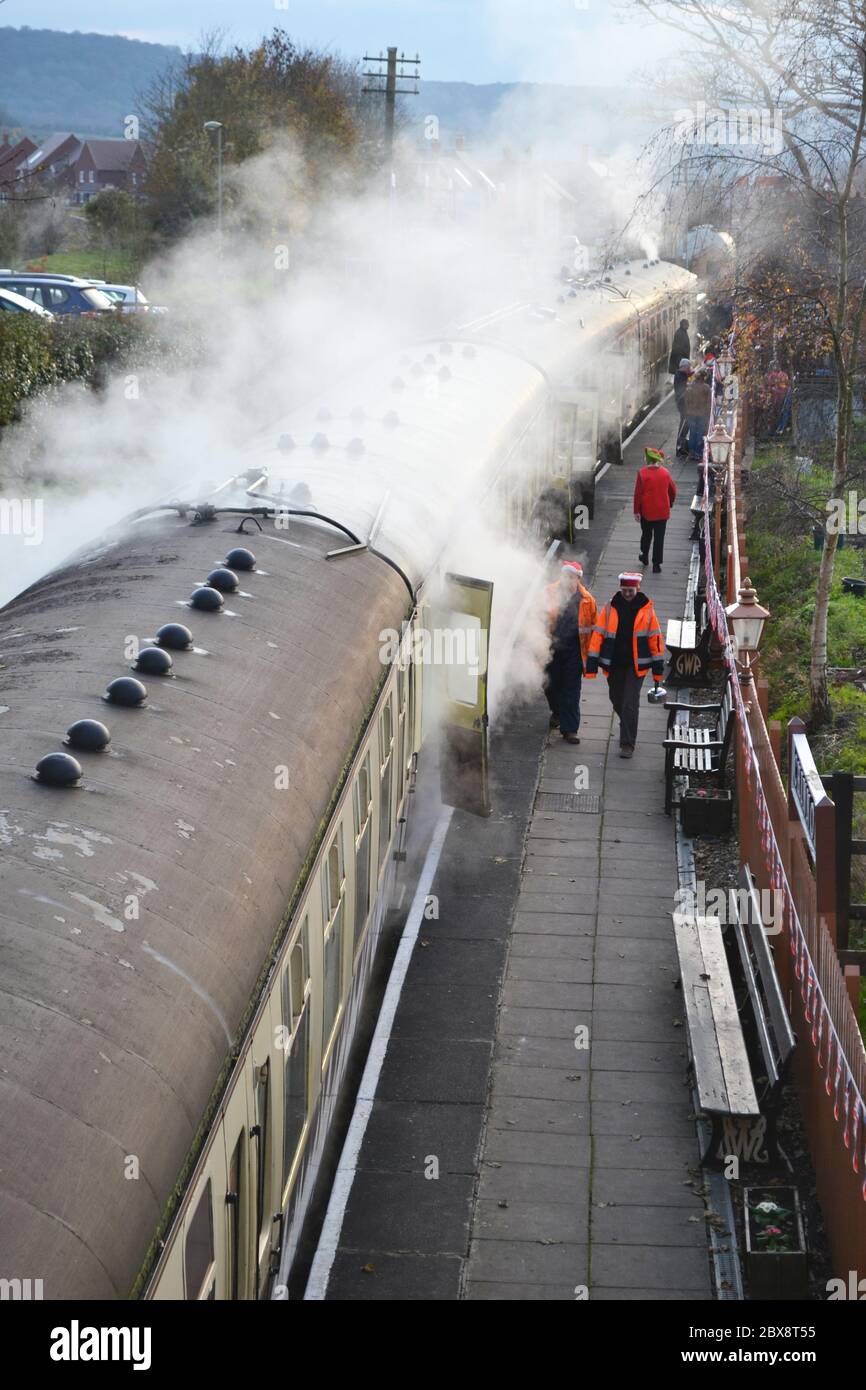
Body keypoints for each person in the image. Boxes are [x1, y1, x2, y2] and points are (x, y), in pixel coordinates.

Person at [585, 571, 665, 758]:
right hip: (614, 664)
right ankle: (628, 723)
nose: (627, 594)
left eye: (630, 590)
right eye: (624, 590)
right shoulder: (610, 607)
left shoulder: (646, 609)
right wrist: (592, 660)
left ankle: (627, 744)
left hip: (637, 665)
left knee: (630, 702)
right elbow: (598, 634)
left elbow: (655, 637)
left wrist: (658, 665)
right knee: (616, 699)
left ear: (637, 588)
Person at [542, 559, 597, 745]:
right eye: (565, 576)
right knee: (550, 684)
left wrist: (592, 655)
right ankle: (557, 712)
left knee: (571, 690)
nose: (567, 580)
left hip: (574, 650)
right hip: (551, 648)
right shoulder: (549, 592)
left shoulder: (587, 600)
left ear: (577, 579)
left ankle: (570, 729)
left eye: (571, 577)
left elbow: (593, 627)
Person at [634, 446, 678, 574]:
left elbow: (638, 494)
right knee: (659, 538)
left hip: (646, 511)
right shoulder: (665, 473)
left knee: (646, 535)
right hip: (662, 511)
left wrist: (636, 510)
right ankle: (656, 564)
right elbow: (673, 490)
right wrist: (671, 502)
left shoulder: (642, 473)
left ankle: (644, 556)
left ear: (647, 460)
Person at [684, 367, 712, 462]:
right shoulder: (706, 388)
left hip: (691, 413)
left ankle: (691, 452)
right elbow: (709, 403)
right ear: (704, 378)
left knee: (692, 433)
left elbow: (686, 401)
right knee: (700, 432)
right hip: (702, 414)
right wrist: (708, 415)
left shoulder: (690, 387)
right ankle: (698, 453)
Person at [673, 358, 692, 456]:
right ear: (684, 367)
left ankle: (681, 445)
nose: (689, 369)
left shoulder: (681, 374)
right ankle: (679, 447)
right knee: (684, 424)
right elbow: (682, 390)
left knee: (685, 424)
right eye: (688, 367)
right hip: (683, 403)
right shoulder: (680, 376)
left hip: (682, 403)